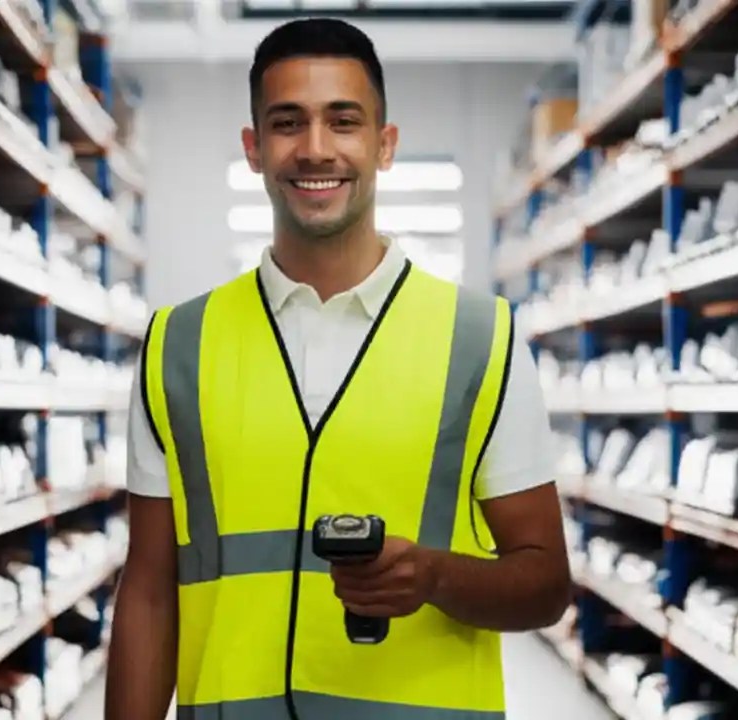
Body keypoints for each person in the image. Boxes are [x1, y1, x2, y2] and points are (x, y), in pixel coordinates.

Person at [106, 17, 569, 720]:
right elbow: (147, 589)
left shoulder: (482, 340)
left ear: (385, 145)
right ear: (254, 148)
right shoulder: (178, 346)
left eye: (343, 121)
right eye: (287, 123)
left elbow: (545, 584)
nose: (315, 149)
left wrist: (434, 575)